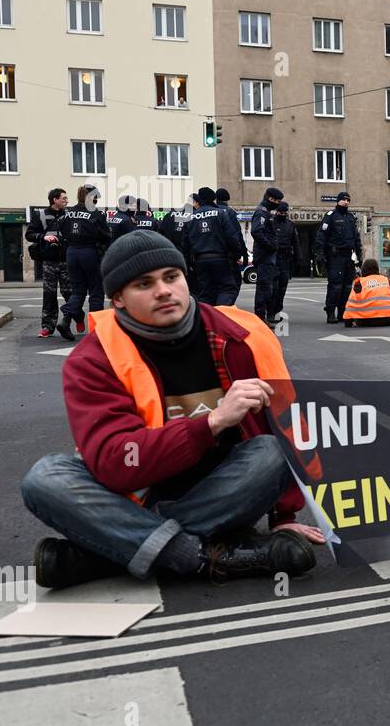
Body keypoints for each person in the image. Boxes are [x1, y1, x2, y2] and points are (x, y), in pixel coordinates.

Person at [19, 230, 323, 589]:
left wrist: (283, 516)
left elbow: (285, 423)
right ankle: (200, 556)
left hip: (223, 491)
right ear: (117, 298)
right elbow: (118, 463)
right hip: (139, 496)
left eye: (171, 277)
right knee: (46, 478)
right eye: (143, 284)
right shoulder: (92, 360)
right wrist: (211, 422)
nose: (163, 291)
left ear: (185, 278)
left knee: (272, 453)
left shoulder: (241, 335)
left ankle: (108, 551)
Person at [56, 184, 111, 341]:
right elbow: (106, 235)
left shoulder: (68, 212)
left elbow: (62, 231)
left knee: (78, 290)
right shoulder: (95, 214)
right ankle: (96, 331)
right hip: (89, 252)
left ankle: (66, 321)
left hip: (72, 253)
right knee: (95, 291)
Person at [183, 187, 244, 307]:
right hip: (220, 259)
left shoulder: (190, 218)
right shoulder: (221, 213)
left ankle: (206, 322)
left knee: (204, 293)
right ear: (213, 199)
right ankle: (220, 317)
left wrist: (188, 262)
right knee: (227, 289)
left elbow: (185, 243)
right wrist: (237, 254)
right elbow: (232, 236)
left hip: (200, 261)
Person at [27, 189, 72, 338]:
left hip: (66, 260)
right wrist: (43, 237)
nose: (66, 201)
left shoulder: (69, 215)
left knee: (69, 293)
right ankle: (48, 326)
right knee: (49, 295)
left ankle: (70, 320)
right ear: (55, 200)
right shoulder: (40, 215)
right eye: (64, 198)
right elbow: (29, 234)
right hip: (49, 262)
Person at [315, 191, 361, 323]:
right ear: (338, 201)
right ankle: (330, 312)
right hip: (335, 256)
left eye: (348, 200)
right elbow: (321, 236)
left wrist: (359, 255)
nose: (346, 202)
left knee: (347, 287)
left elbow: (356, 239)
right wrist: (320, 253)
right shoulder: (331, 216)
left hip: (349, 256)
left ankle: (342, 312)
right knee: (335, 286)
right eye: (344, 200)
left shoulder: (351, 218)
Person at [252, 200, 298, 326]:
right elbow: (260, 238)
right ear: (277, 211)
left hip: (285, 259)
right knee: (272, 287)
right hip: (273, 257)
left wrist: (297, 260)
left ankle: (275, 312)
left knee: (282, 288)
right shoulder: (270, 221)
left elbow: (295, 243)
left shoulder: (291, 225)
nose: (282, 214)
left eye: (284, 212)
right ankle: (269, 313)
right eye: (280, 212)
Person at [342, 259, 390, 327]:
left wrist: (347, 322)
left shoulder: (358, 282)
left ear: (363, 269)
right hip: (387, 320)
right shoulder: (385, 279)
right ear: (377, 269)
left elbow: (351, 304)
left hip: (365, 321)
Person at [214, 188, 246, 306]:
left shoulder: (212, 211)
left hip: (212, 254)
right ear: (227, 198)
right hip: (228, 256)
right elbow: (236, 235)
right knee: (232, 284)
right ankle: (224, 310)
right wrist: (241, 254)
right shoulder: (229, 212)